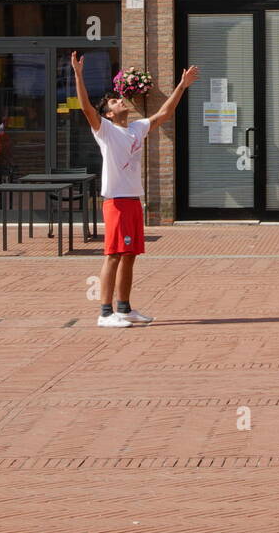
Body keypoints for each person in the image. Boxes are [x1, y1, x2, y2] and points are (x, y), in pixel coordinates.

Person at [71, 52, 199, 328]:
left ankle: (125, 308)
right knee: (113, 255)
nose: (121, 101)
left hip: (132, 201)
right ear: (108, 113)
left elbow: (165, 113)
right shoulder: (104, 129)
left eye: (119, 98)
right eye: (115, 101)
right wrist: (79, 75)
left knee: (129, 256)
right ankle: (105, 313)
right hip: (115, 202)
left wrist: (182, 85)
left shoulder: (137, 128)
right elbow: (85, 108)